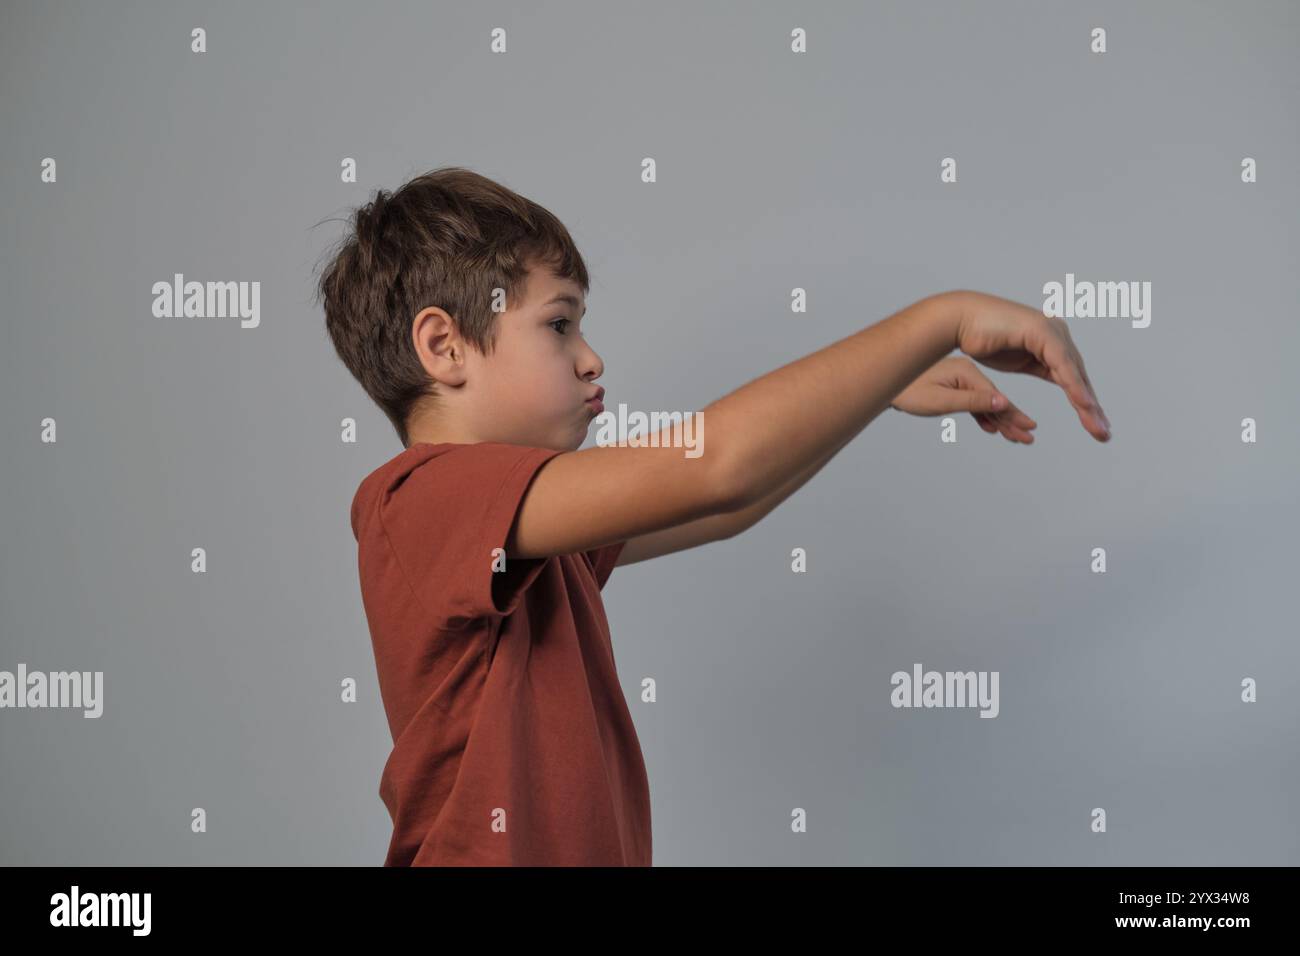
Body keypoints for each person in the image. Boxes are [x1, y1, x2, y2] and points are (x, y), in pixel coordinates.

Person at [314, 166, 1111, 866]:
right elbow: (719, 466)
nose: (592, 357)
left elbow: (737, 501)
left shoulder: (530, 539)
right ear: (443, 346)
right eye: (559, 324)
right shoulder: (421, 499)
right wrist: (939, 318)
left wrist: (878, 386)